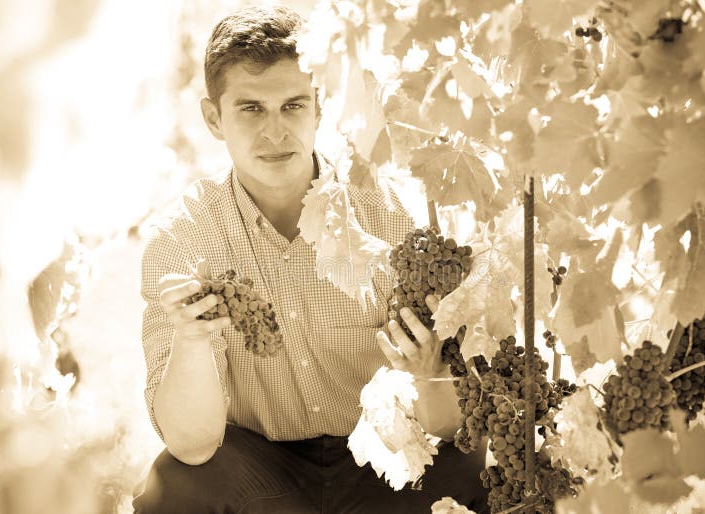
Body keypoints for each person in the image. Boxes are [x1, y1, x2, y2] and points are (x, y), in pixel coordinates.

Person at [132, 5, 488, 513]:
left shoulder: (391, 217)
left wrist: (428, 371)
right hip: (260, 471)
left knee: (473, 470)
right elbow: (193, 445)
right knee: (175, 488)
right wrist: (191, 340)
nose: (275, 133)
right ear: (214, 118)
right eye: (251, 109)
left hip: (382, 460)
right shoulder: (184, 241)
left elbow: (449, 426)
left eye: (293, 106)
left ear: (319, 107)